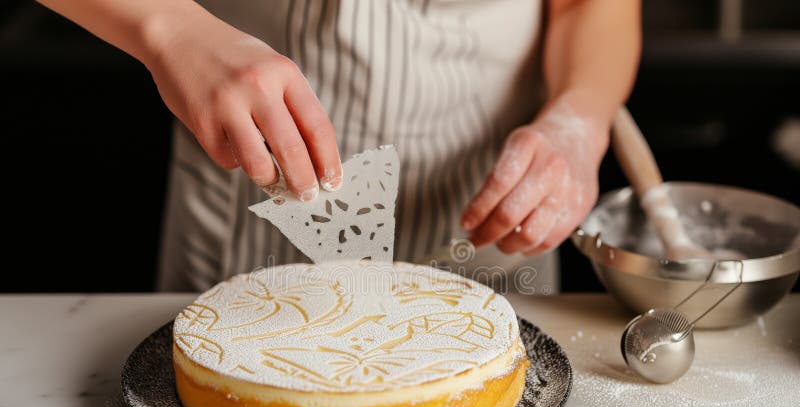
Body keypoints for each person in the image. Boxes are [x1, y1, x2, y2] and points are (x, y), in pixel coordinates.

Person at [39, 0, 641, 291]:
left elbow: (596, 9)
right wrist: (170, 28)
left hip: (485, 203)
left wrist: (581, 118)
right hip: (247, 190)